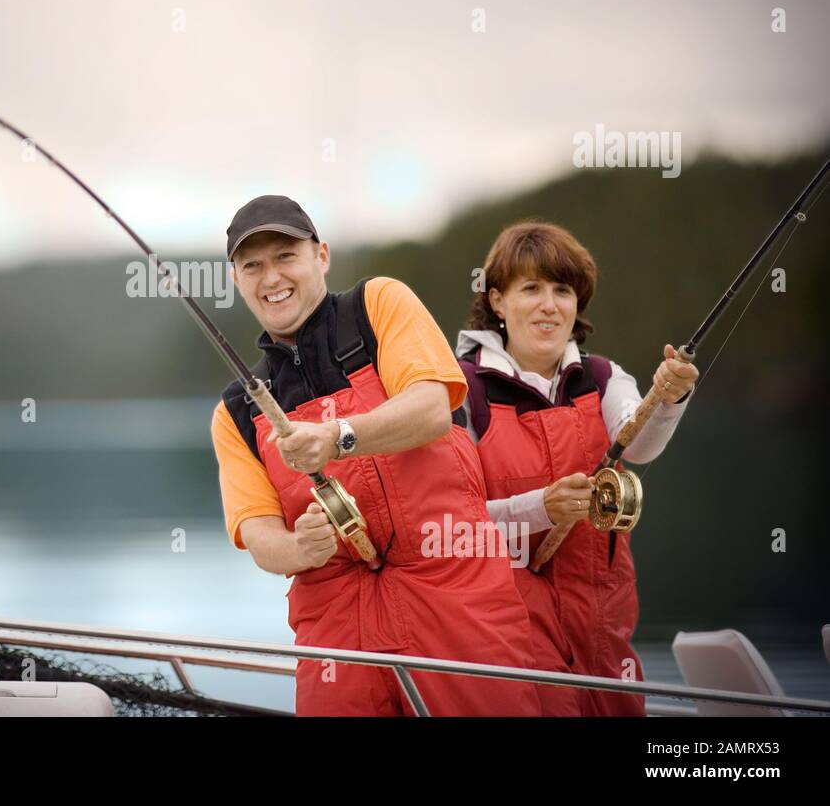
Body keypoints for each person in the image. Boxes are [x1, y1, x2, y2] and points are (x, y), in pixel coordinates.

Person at [210, 195, 542, 716]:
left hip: (456, 597)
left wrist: (337, 436)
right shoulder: (234, 412)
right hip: (337, 630)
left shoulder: (379, 304)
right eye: (252, 265)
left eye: (285, 256)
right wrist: (301, 548)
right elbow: (258, 537)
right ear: (236, 280)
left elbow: (432, 407)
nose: (271, 276)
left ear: (321, 255)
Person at [454, 220, 698, 716]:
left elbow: (641, 442)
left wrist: (670, 397)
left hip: (605, 617)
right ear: (497, 302)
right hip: (507, 622)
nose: (549, 304)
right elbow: (452, 527)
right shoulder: (459, 391)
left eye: (562, 290)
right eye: (531, 288)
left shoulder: (605, 376)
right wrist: (539, 508)